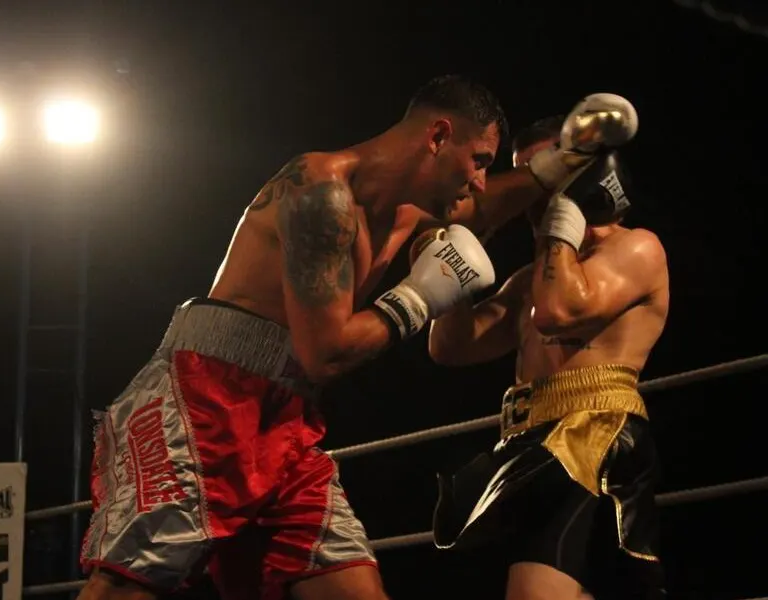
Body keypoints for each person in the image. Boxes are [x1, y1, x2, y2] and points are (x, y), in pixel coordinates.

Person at [78, 77, 639, 600]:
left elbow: (486, 207)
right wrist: (420, 297)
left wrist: (565, 160)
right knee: (131, 585)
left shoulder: (413, 212)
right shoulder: (321, 193)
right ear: (438, 136)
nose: (479, 181)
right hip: (200, 399)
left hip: (287, 422)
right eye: (477, 162)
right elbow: (326, 353)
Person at [428, 116, 669, 600]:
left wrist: (565, 213)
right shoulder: (530, 281)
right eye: (531, 175)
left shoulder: (636, 247)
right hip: (528, 446)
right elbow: (451, 347)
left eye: (554, 171)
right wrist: (450, 262)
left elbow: (558, 312)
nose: (535, 191)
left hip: (589, 438)